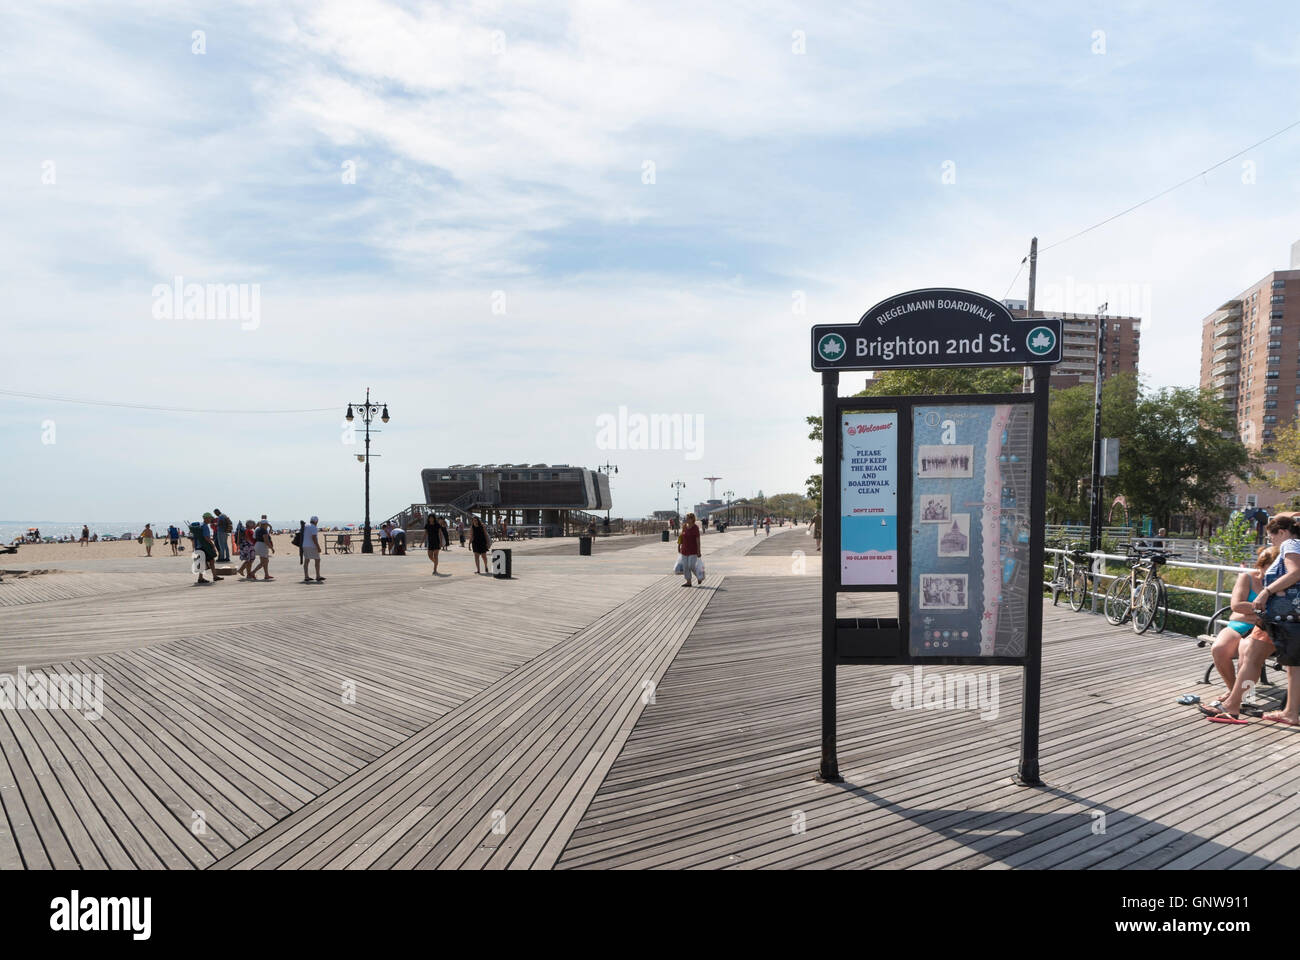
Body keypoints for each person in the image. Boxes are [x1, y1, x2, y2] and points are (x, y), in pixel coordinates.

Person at [1205, 516, 1300, 725]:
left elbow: (1295, 572)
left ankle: (1233, 705)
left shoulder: (1291, 544)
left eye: (1271, 537)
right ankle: (1290, 712)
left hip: (1284, 617)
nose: (1271, 542)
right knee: (1292, 664)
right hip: (1287, 617)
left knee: (1252, 655)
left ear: (1282, 533)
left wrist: (1266, 591)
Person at [1204, 547, 1274, 698]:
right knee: (1219, 649)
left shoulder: (1281, 582)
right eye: (1270, 565)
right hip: (1239, 626)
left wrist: (1247, 613)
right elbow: (1236, 605)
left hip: (1262, 629)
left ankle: (1242, 696)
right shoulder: (1247, 578)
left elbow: (1244, 609)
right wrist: (1260, 612)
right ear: (1261, 564)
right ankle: (1233, 690)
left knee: (1246, 655)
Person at [189, 519, 221, 584]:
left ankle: (212, 576)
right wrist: (212, 545)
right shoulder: (205, 526)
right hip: (204, 547)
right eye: (210, 518)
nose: (211, 519)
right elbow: (206, 538)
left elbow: (193, 539)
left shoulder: (200, 526)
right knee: (208, 561)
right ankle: (203, 578)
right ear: (206, 518)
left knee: (207, 561)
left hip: (198, 547)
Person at [678, 512, 703, 587]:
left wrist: (699, 551)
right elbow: (681, 537)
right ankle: (688, 581)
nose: (686, 519)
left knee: (691, 565)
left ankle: (699, 577)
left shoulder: (695, 528)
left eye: (688, 518)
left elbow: (698, 540)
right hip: (684, 549)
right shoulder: (684, 526)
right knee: (685, 566)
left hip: (693, 550)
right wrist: (679, 546)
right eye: (686, 518)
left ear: (692, 519)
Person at [251, 516, 275, 581]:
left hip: (257, 545)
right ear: (265, 524)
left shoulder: (257, 529)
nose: (267, 525)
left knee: (265, 561)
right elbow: (266, 540)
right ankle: (252, 573)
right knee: (264, 562)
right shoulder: (264, 530)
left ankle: (266, 575)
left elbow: (254, 537)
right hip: (262, 546)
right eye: (267, 524)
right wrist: (271, 548)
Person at [301, 516, 324, 583]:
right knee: (317, 560)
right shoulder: (314, 527)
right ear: (316, 521)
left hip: (305, 545)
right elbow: (314, 538)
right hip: (312, 546)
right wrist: (318, 547)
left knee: (307, 560)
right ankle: (318, 576)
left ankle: (306, 576)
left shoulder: (306, 526)